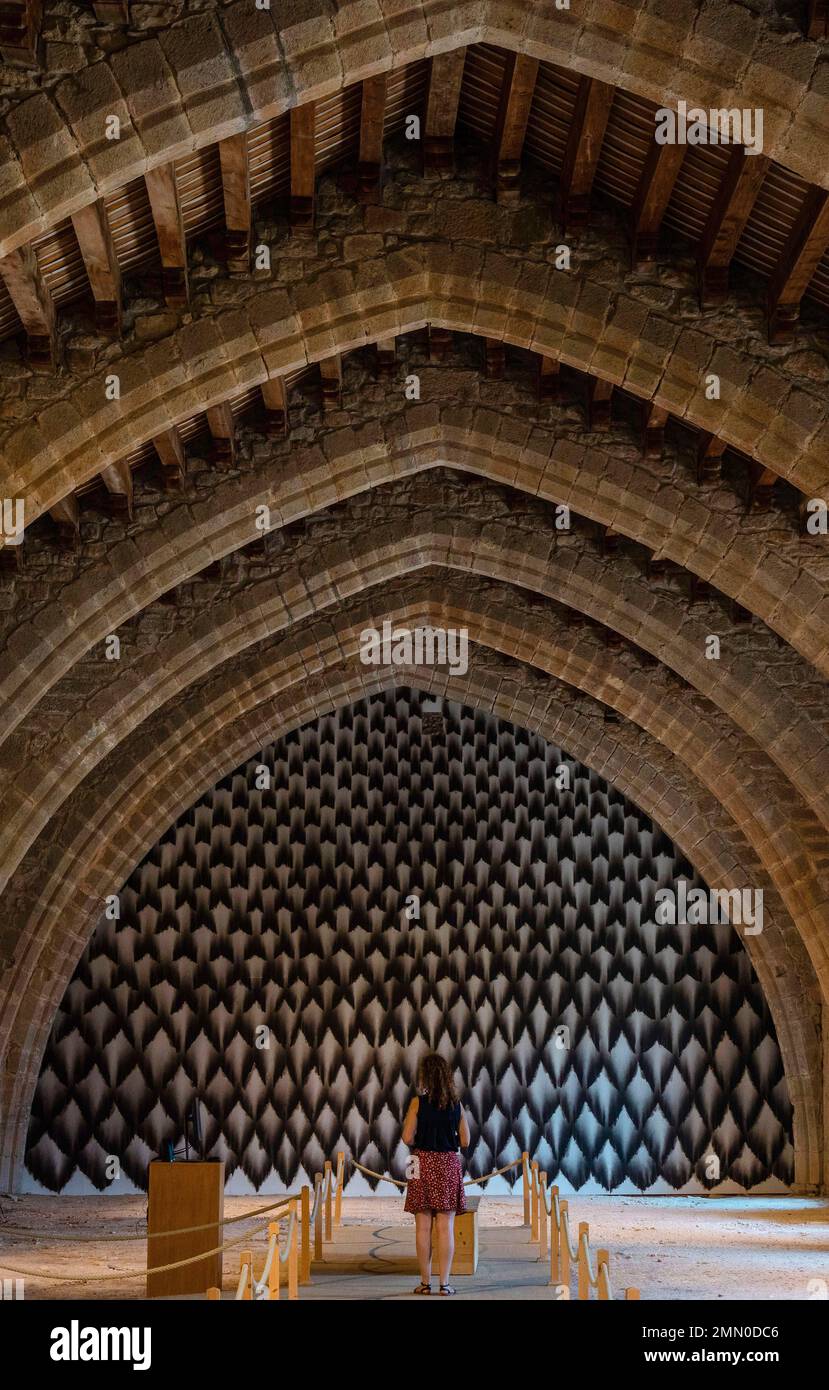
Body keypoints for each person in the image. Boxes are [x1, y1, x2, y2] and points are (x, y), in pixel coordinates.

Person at [401, 1052, 470, 1296]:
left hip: (422, 1162)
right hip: (449, 1163)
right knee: (446, 1227)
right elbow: (465, 1140)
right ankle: (445, 1284)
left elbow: (407, 1137)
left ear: (426, 1077)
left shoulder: (417, 1103)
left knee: (422, 1227)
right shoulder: (456, 1105)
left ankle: (425, 1283)